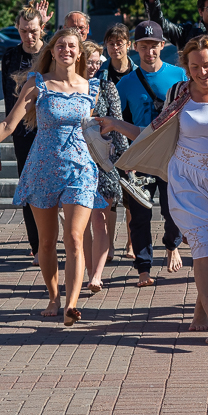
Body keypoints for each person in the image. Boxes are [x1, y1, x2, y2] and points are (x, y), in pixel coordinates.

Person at [115, 36, 208, 344]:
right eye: (194, 66)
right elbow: (154, 131)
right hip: (187, 180)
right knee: (203, 246)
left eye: (207, 65)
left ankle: (200, 308)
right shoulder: (178, 93)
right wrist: (116, 125)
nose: (201, 72)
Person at [0, 27, 105, 325]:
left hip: (80, 169)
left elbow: (98, 131)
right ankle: (53, 296)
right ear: (51, 51)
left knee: (75, 237)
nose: (66, 50)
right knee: (47, 241)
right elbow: (8, 125)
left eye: (72, 46)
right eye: (61, 46)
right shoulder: (37, 83)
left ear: (80, 52)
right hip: (42, 168)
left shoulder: (91, 87)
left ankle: (71, 304)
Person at [112, 21, 187, 285]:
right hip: (140, 156)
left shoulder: (179, 76)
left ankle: (172, 244)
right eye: (144, 46)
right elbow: (116, 121)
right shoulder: (126, 83)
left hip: (172, 155)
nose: (149, 51)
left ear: (162, 46)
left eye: (154, 46)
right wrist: (126, 158)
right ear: (135, 48)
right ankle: (143, 266)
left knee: (173, 210)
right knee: (140, 213)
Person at [1, 0, 52, 264]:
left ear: (42, 28)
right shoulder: (10, 56)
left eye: (33, 30)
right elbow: (9, 99)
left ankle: (51, 241)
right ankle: (37, 245)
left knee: (52, 187)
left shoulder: (51, 52)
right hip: (22, 132)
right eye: (23, 31)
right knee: (29, 187)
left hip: (48, 129)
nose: (28, 36)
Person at [83, 40, 127, 292]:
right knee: (79, 224)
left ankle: (96, 275)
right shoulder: (70, 87)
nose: (94, 66)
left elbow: (118, 123)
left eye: (98, 62)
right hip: (77, 162)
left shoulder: (107, 86)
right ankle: (85, 269)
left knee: (99, 219)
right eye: (90, 61)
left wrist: (123, 159)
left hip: (102, 161)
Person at [98, 22, 136, 259]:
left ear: (128, 45)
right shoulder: (100, 74)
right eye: (111, 43)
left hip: (132, 140)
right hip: (107, 142)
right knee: (109, 196)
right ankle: (108, 245)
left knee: (132, 194)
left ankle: (132, 243)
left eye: (119, 43)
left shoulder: (137, 73)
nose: (115, 48)